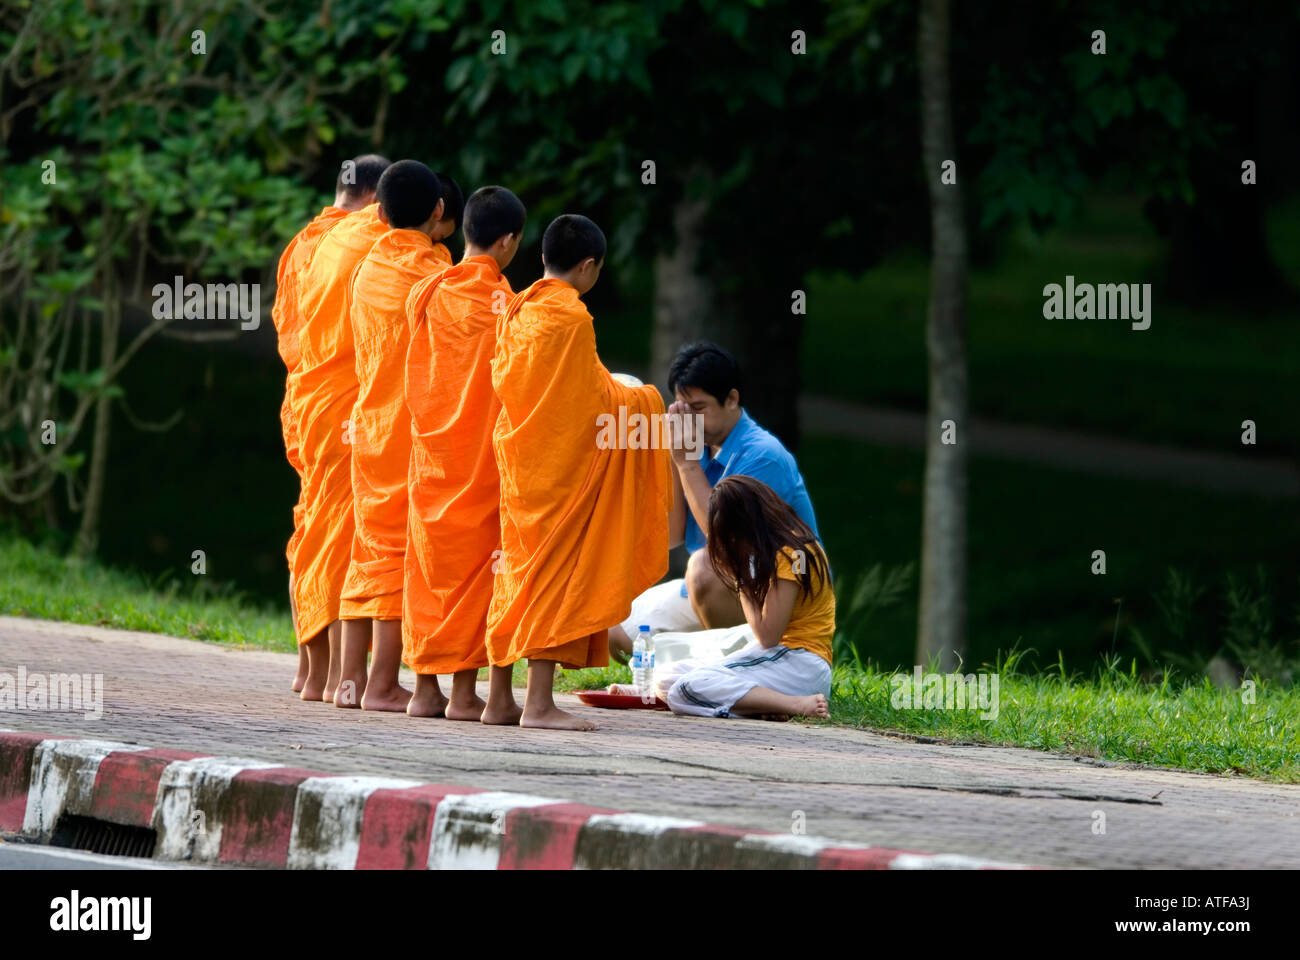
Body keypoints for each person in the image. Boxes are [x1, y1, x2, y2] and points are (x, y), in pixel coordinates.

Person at [488, 214, 672, 730]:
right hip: (559, 472)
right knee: (551, 577)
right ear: (589, 266)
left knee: (515, 576)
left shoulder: (518, 308)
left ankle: (499, 698)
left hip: (521, 459)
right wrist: (646, 399)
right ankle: (539, 705)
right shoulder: (571, 319)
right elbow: (593, 401)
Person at [335, 162, 462, 711]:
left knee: (368, 546)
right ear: (438, 212)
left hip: (368, 425)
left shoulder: (367, 267)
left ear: (379, 214)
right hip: (411, 429)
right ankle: (384, 684)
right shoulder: (435, 273)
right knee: (399, 555)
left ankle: (349, 681)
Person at [609, 342, 820, 659]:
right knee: (616, 630)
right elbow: (671, 536)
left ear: (732, 399)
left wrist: (687, 465)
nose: (688, 421)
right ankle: (694, 669)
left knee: (704, 567)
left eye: (698, 409)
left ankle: (739, 671)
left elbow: (728, 544)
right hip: (720, 587)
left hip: (778, 595)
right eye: (681, 408)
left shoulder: (763, 455)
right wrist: (665, 462)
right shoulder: (696, 449)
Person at [403, 185, 525, 723]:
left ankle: (424, 690)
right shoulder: (509, 306)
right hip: (482, 460)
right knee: (482, 571)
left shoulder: (427, 291)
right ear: (507, 242)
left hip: (431, 453)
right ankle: (463, 693)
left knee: (431, 566)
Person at [273, 154, 388, 692]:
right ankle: (342, 678)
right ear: (375, 199)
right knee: (343, 535)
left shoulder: (302, 245)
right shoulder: (365, 243)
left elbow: (288, 332)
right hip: (345, 407)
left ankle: (310, 671)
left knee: (313, 527)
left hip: (307, 404)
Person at [664, 474, 834, 720]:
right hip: (784, 661)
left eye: (731, 539)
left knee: (682, 689)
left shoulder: (793, 555)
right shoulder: (793, 546)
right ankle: (763, 706)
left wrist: (740, 577)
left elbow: (767, 636)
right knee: (670, 677)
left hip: (799, 664)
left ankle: (796, 704)